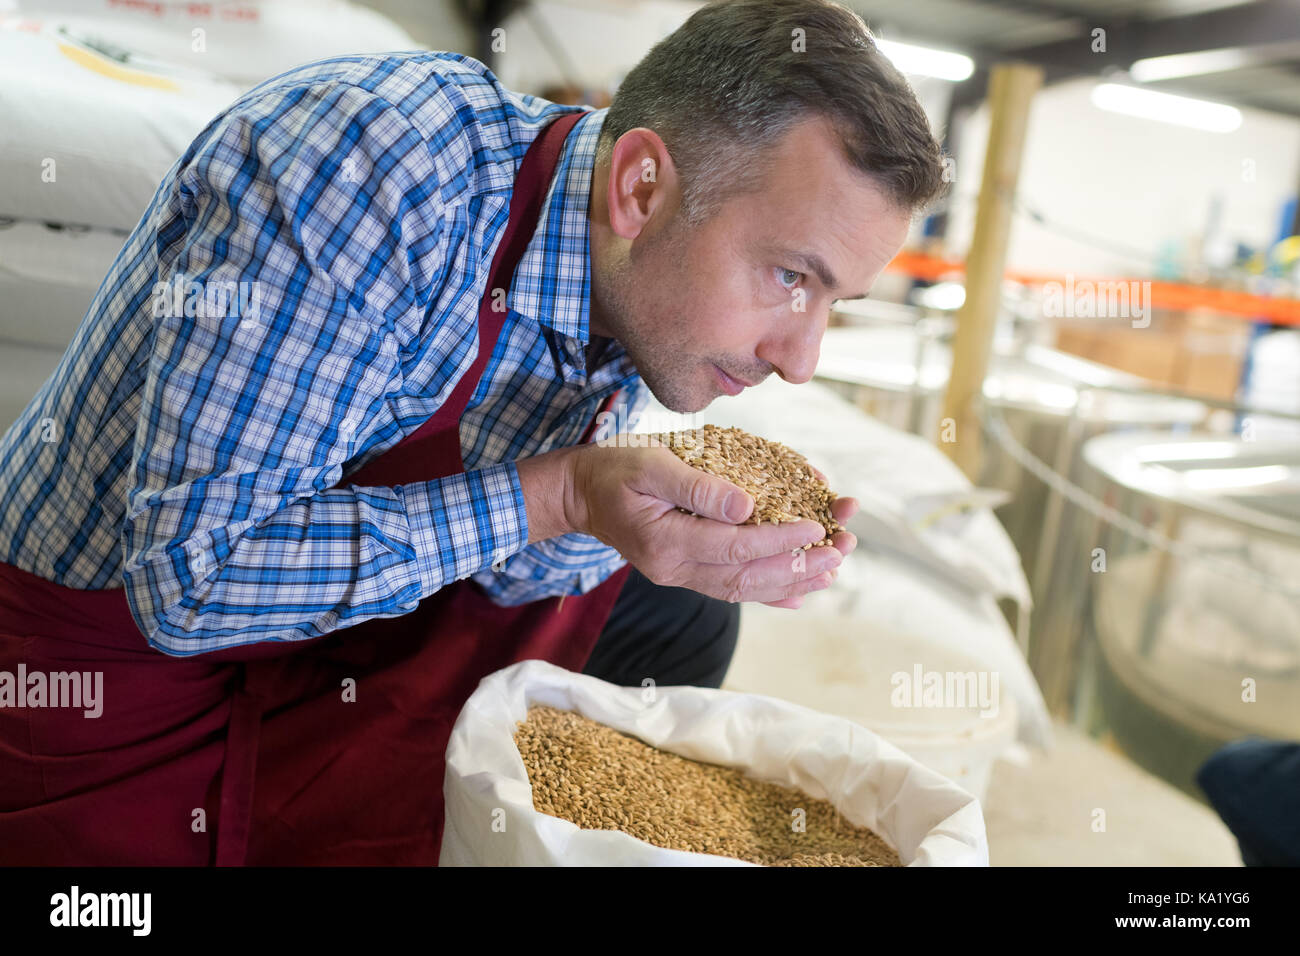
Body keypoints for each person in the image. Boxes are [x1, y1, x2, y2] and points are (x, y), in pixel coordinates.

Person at [0, 0, 947, 864]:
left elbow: (518, 571)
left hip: (329, 652)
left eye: (837, 303)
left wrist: (638, 525)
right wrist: (566, 491)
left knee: (682, 605)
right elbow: (190, 589)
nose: (802, 358)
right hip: (116, 667)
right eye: (791, 277)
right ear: (642, 187)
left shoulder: (642, 295)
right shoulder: (375, 171)